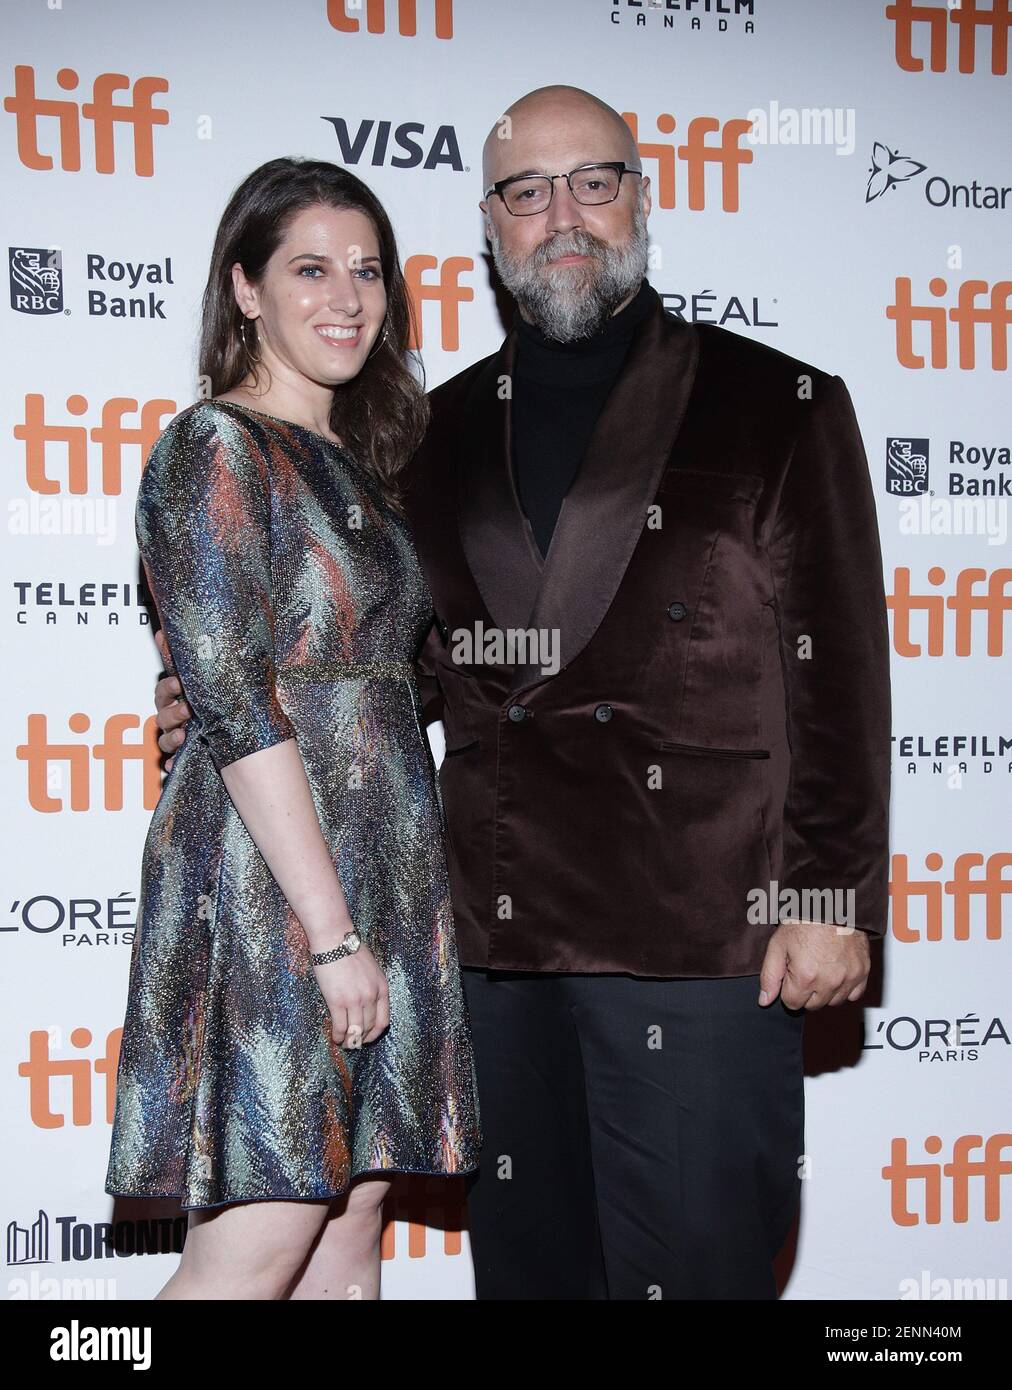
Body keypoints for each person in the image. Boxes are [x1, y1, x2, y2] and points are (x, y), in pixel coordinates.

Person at [156, 86, 892, 1301]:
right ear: (489, 223)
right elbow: (394, 655)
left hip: (701, 941)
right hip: (493, 940)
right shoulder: (429, 432)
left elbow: (841, 674)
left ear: (642, 199)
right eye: (526, 191)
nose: (563, 216)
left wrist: (830, 897)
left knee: (700, 1272)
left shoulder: (777, 403)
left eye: (593, 182)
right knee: (535, 1278)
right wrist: (222, 699)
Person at [106, 156, 481, 1301]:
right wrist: (329, 933)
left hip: (388, 865)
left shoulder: (369, 472)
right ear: (247, 289)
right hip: (280, 884)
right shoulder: (215, 447)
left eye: (366, 271)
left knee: (353, 1220)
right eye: (309, 267)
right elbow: (231, 695)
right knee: (264, 1230)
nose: (346, 296)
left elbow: (395, 682)